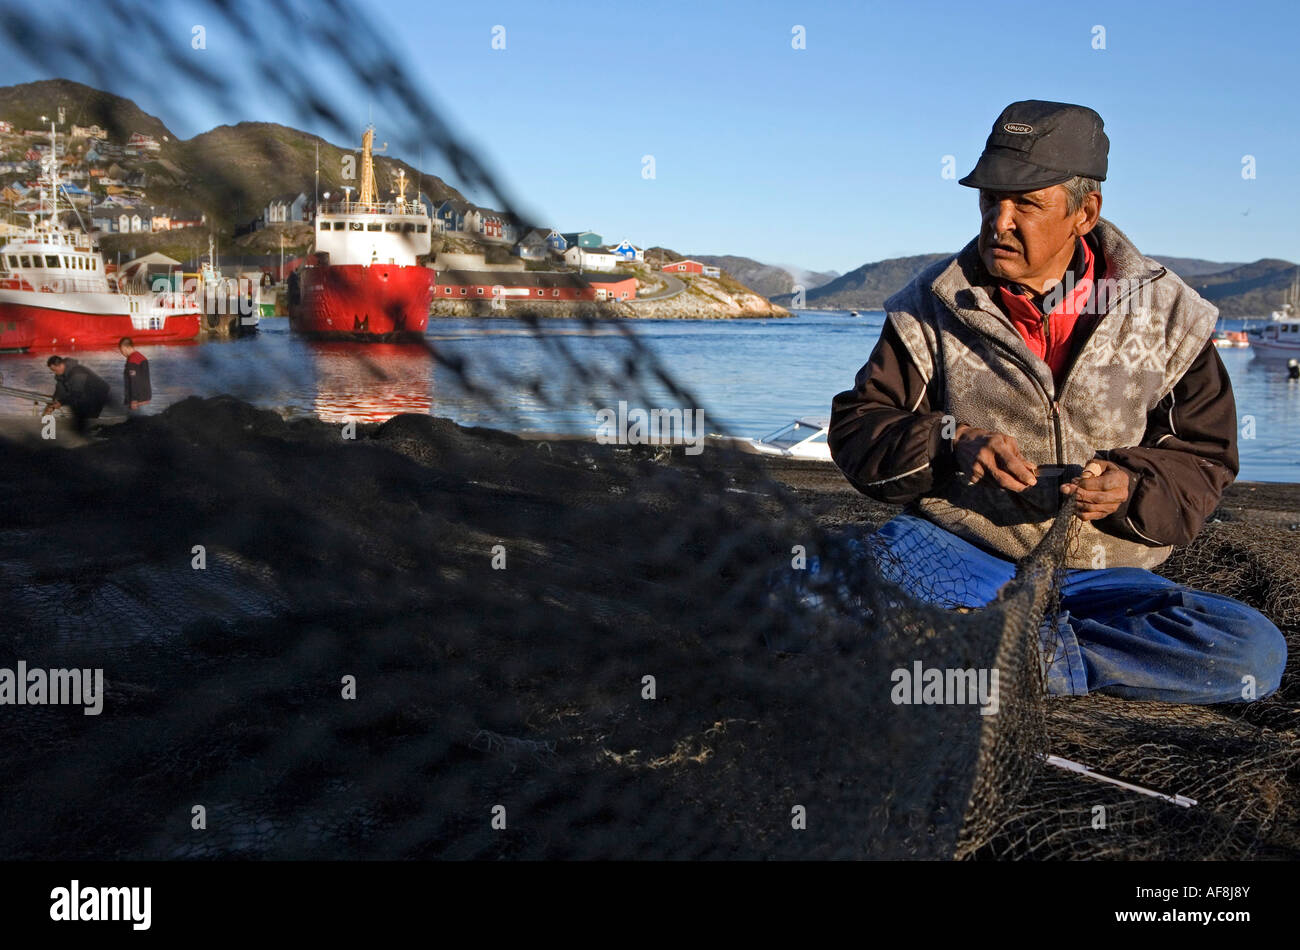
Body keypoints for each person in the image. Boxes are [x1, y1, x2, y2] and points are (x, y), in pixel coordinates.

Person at [829, 100, 1286, 704]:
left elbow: (1205, 457)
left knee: (1248, 652)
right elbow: (862, 427)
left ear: (1084, 211)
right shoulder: (929, 304)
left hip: (1106, 576)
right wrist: (950, 442)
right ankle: (1011, 651)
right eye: (991, 198)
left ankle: (1026, 656)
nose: (999, 221)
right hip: (958, 551)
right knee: (811, 590)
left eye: (1026, 203)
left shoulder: (1172, 314)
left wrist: (1131, 485)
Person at [45, 355, 111, 433]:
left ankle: (91, 432)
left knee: (88, 416)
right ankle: (81, 428)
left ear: (61, 365)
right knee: (77, 411)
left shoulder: (77, 373)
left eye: (55, 370)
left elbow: (76, 395)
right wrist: (52, 404)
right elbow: (60, 390)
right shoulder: (61, 374)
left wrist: (61, 402)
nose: (54, 372)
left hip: (97, 393)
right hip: (84, 394)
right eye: (53, 371)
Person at [119, 337, 151, 410]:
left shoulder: (132, 360)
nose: (122, 353)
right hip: (146, 398)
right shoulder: (142, 357)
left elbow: (134, 381)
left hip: (136, 402)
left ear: (124, 348)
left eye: (121, 351)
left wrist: (134, 400)